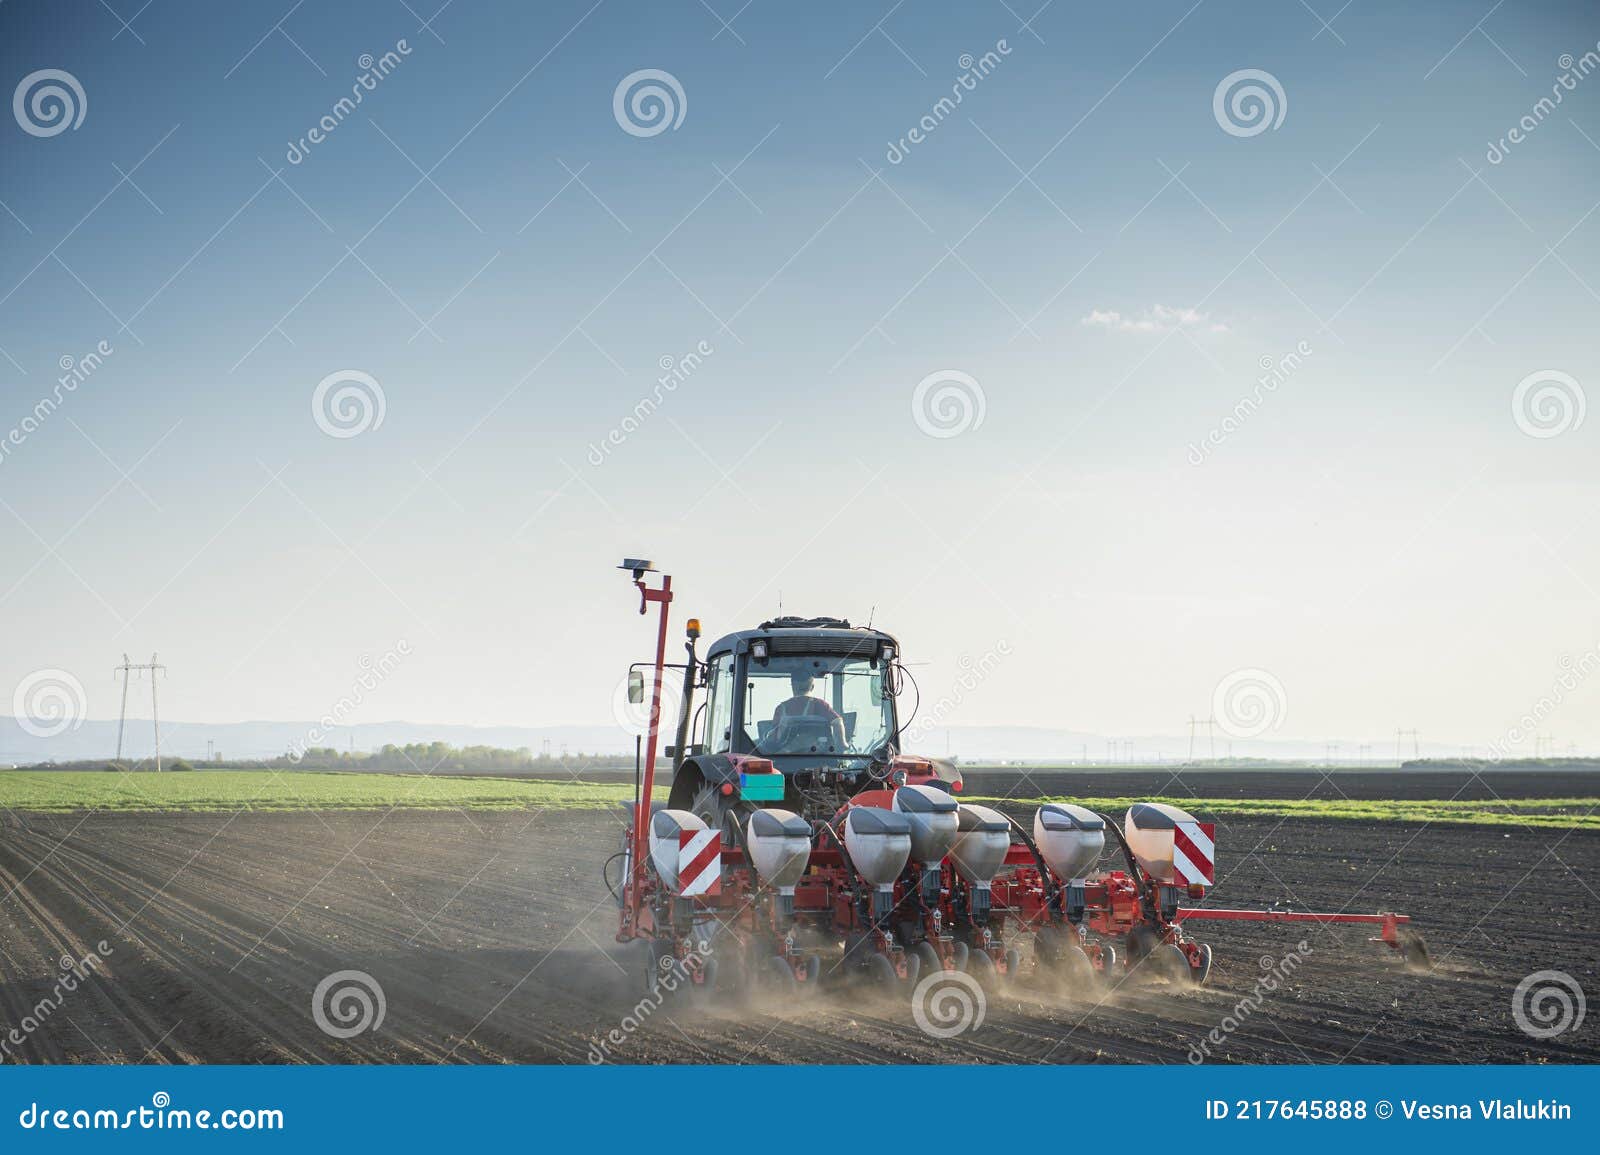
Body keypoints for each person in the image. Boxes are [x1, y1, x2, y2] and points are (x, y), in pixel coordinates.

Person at [770, 672, 845, 747]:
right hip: (818, 755)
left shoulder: (781, 708)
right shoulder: (820, 704)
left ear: (793, 686)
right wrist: (842, 744)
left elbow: (773, 737)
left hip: (785, 756)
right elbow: (837, 722)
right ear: (812, 687)